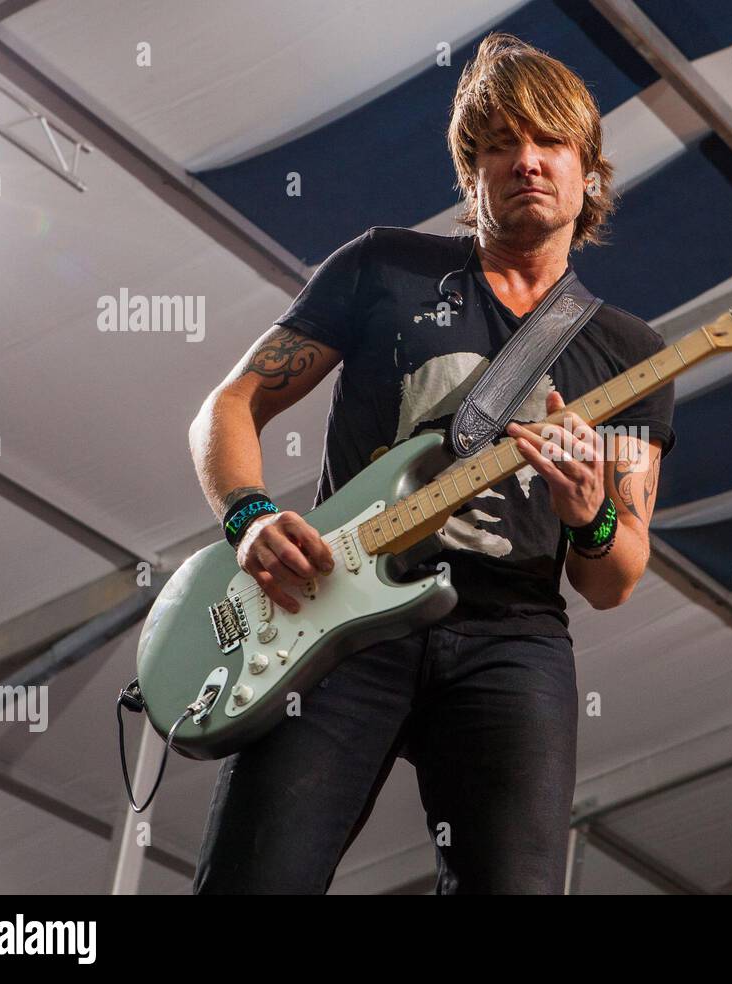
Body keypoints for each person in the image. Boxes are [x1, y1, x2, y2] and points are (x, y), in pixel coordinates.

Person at [187, 31, 675, 894]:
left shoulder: (630, 353)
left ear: (588, 169)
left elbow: (614, 578)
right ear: (470, 170)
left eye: (550, 142)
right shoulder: (386, 266)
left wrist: (589, 510)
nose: (527, 161)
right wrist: (248, 518)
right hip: (335, 617)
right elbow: (229, 406)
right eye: (500, 144)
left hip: (510, 639)